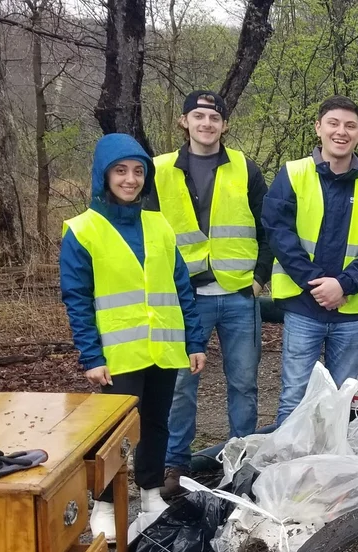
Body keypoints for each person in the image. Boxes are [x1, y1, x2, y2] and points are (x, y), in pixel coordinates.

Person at [60, 132, 206, 539]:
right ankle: (104, 504)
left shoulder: (157, 224)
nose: (130, 179)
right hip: (116, 354)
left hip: (162, 347)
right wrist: (91, 356)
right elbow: (77, 298)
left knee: (157, 423)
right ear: (103, 175)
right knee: (115, 434)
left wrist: (193, 340)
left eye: (138, 171)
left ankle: (150, 490)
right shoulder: (83, 230)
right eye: (121, 171)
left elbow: (180, 286)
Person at [149, 90, 268, 494]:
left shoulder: (245, 168)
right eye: (198, 116)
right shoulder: (159, 170)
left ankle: (242, 463)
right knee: (182, 385)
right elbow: (146, 231)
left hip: (238, 294)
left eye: (213, 118)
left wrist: (260, 275)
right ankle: (174, 465)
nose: (206, 124)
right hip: (187, 297)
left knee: (244, 384)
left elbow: (267, 225)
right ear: (184, 122)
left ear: (224, 125)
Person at [263, 96, 358, 423]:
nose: (341, 132)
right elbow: (278, 232)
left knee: (341, 398)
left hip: (350, 309)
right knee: (295, 396)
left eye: (350, 126)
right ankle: (289, 471)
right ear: (318, 128)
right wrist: (318, 285)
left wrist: (343, 285)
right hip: (303, 306)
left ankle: (333, 471)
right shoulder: (293, 174)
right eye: (333, 123)